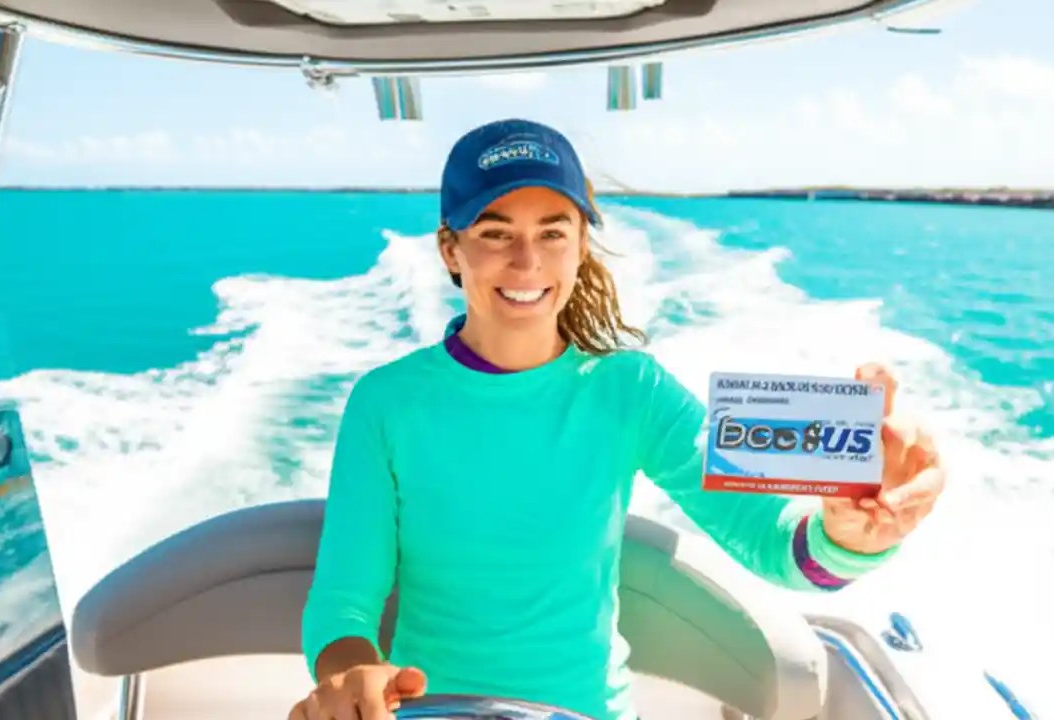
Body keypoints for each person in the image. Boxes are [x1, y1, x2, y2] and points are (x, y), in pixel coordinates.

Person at [288, 118, 945, 720]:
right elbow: (345, 599)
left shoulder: (630, 389)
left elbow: (774, 545)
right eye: (495, 233)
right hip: (433, 709)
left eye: (553, 232)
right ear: (450, 250)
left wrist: (853, 531)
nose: (527, 261)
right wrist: (353, 679)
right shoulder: (386, 400)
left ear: (580, 248)